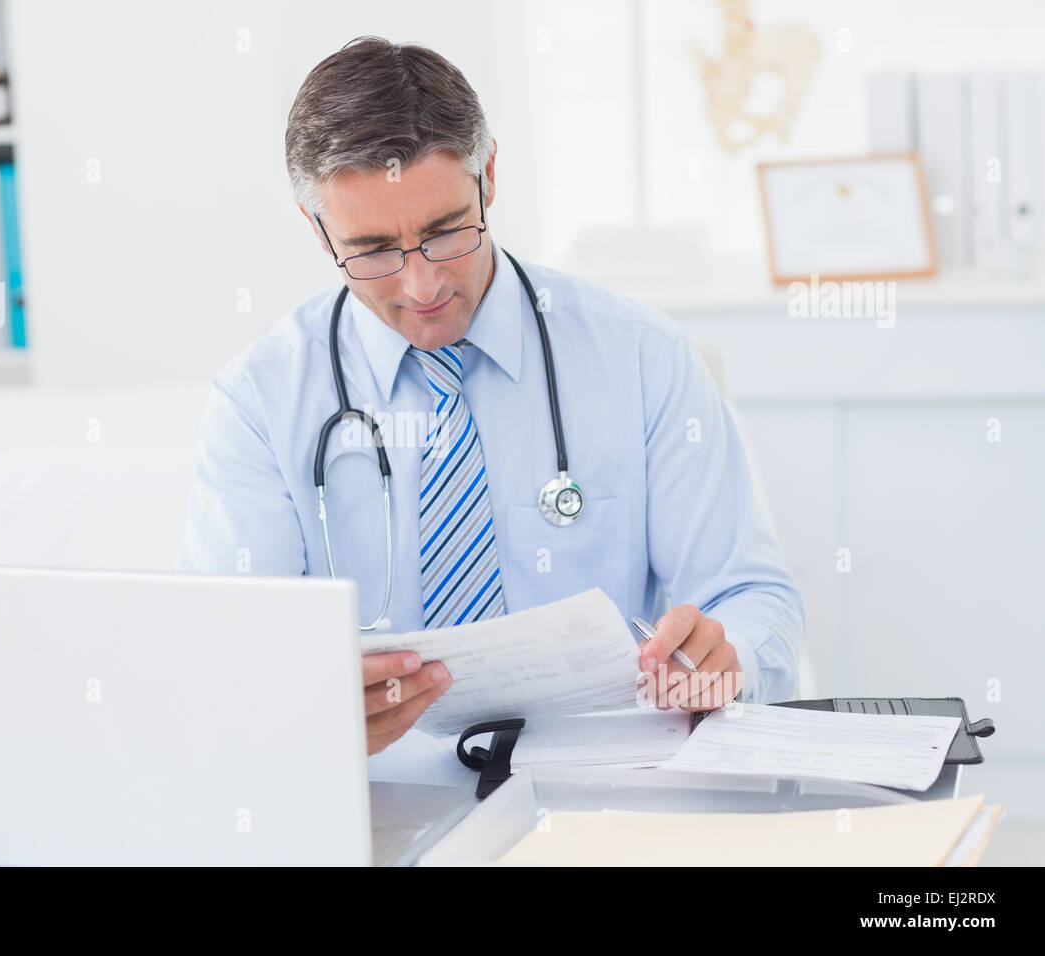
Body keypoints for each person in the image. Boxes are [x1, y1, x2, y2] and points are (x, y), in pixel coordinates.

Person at [178, 36, 803, 758]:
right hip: (376, 799)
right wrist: (307, 711)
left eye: (446, 232)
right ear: (316, 229)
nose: (422, 287)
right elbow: (225, 656)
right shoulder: (259, 402)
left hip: (603, 790)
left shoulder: (640, 357)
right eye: (374, 249)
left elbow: (754, 599)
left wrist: (732, 660)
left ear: (491, 176)